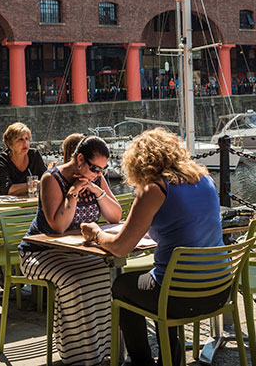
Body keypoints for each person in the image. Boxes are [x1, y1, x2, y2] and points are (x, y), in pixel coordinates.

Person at [81, 128, 224, 366]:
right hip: (219, 290)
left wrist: (96, 233)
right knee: (157, 281)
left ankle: (142, 362)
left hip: (180, 297)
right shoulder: (205, 179)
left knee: (124, 286)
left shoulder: (155, 190)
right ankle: (172, 360)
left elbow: (120, 247)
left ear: (139, 162)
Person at [18, 136, 121, 366]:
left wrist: (97, 190)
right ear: (80, 158)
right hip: (40, 252)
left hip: (79, 252)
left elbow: (115, 216)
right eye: (94, 168)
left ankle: (104, 350)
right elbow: (59, 226)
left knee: (109, 277)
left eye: (102, 170)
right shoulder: (51, 179)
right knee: (75, 282)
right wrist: (73, 192)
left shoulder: (97, 179)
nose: (97, 173)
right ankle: (78, 358)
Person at [0, 122, 47, 196]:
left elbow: (46, 180)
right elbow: (7, 189)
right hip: (10, 205)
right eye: (20, 140)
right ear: (10, 144)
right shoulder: (1, 161)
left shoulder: (34, 155)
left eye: (27, 139)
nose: (25, 143)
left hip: (33, 202)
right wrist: (32, 184)